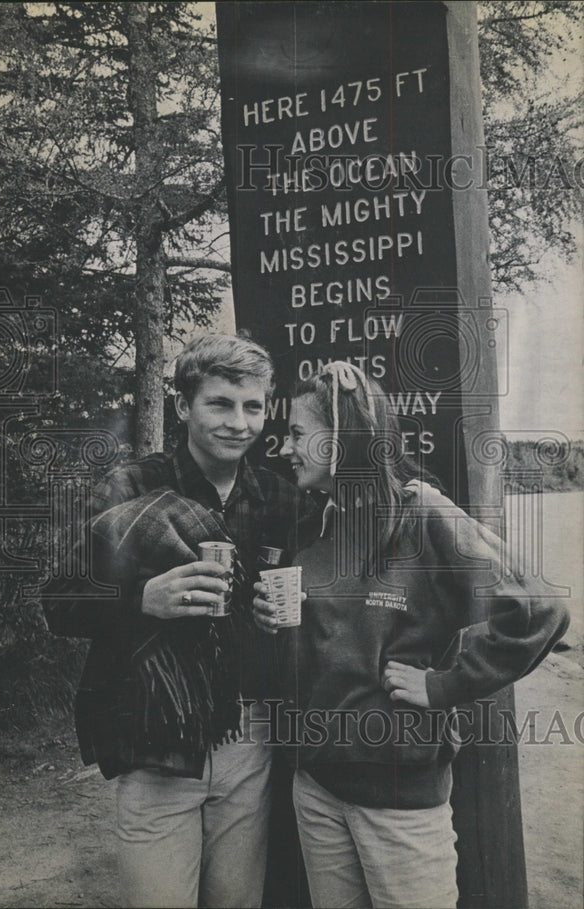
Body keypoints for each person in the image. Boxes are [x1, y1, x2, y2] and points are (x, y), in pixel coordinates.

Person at [253, 360, 570, 909]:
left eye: (299, 434)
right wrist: (274, 623)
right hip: (318, 788)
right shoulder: (312, 524)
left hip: (401, 799)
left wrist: (443, 686)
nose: (284, 449)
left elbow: (539, 610)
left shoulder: (419, 514)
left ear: (341, 439)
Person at [44, 333, 314, 909]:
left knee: (237, 902)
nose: (239, 423)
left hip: (248, 734)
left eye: (253, 407)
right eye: (220, 403)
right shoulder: (131, 486)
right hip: (155, 735)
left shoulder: (279, 498)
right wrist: (141, 597)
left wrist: (281, 613)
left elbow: (324, 586)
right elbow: (60, 600)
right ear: (183, 406)